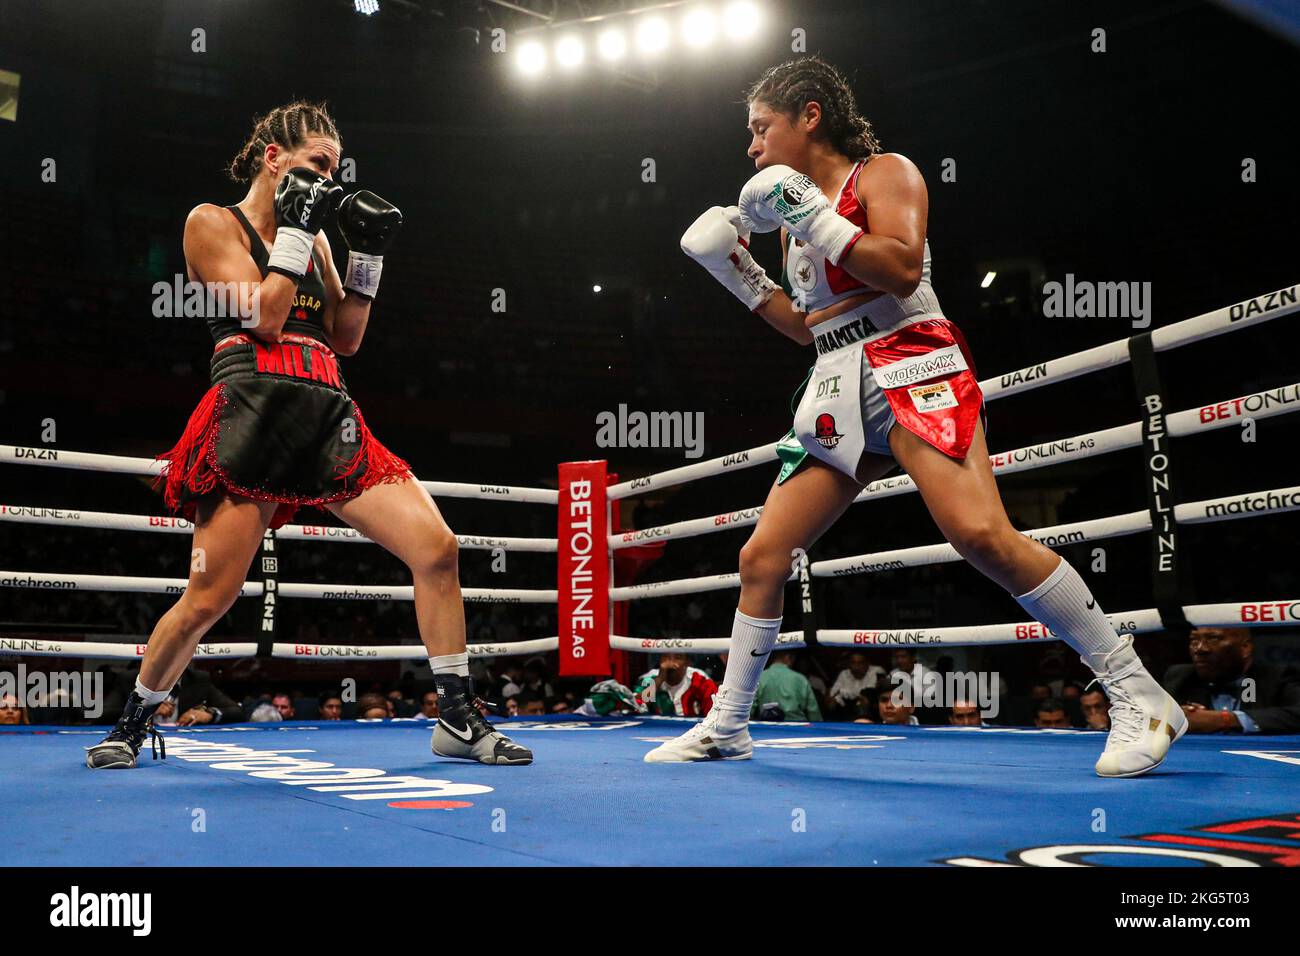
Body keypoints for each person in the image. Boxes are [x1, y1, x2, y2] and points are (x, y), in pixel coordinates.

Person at [647, 57, 1184, 776]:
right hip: (835, 376)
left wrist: (811, 212)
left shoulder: (884, 174)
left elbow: (899, 269)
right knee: (761, 557)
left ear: (809, 115)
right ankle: (728, 725)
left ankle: (1138, 691)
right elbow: (808, 327)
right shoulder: (785, 221)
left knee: (981, 535)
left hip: (910, 357)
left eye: (760, 128)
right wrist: (736, 272)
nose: (751, 148)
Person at [85, 102, 530, 768]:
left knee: (438, 548)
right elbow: (264, 317)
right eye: (318, 162)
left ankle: (458, 719)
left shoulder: (318, 238)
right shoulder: (211, 223)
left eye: (334, 167)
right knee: (210, 596)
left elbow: (346, 337)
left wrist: (368, 256)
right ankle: (133, 721)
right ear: (272, 157)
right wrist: (297, 226)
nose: (329, 178)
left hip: (328, 407)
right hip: (253, 405)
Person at [1164, 627, 1300, 734]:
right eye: (1194, 640)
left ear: (1245, 648)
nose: (1200, 649)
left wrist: (1225, 720)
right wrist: (1181, 716)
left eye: (1213, 638)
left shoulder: (1274, 677)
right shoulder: (1182, 677)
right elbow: (1151, 717)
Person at [633, 652, 719, 717]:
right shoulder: (648, 678)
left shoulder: (700, 679)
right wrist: (659, 679)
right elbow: (636, 706)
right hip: (656, 728)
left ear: (687, 663)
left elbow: (715, 713)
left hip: (692, 729)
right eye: (666, 657)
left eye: (677, 658)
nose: (671, 663)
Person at [752, 650, 821, 722]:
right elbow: (813, 711)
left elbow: (749, 708)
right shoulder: (800, 679)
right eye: (793, 658)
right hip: (798, 729)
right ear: (787, 657)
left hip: (767, 728)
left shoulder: (759, 677)